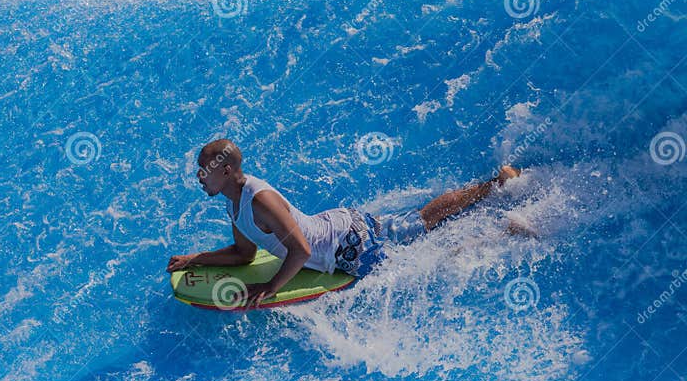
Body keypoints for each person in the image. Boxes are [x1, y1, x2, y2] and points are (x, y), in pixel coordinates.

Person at [166, 139, 522, 307]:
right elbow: (244, 254)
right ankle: (495, 184)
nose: (199, 178)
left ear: (225, 171)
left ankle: (501, 228)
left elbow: (301, 250)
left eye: (204, 170)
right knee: (420, 223)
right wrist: (196, 258)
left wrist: (271, 287)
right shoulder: (233, 204)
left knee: (433, 253)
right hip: (338, 225)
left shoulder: (259, 199)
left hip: (348, 245)